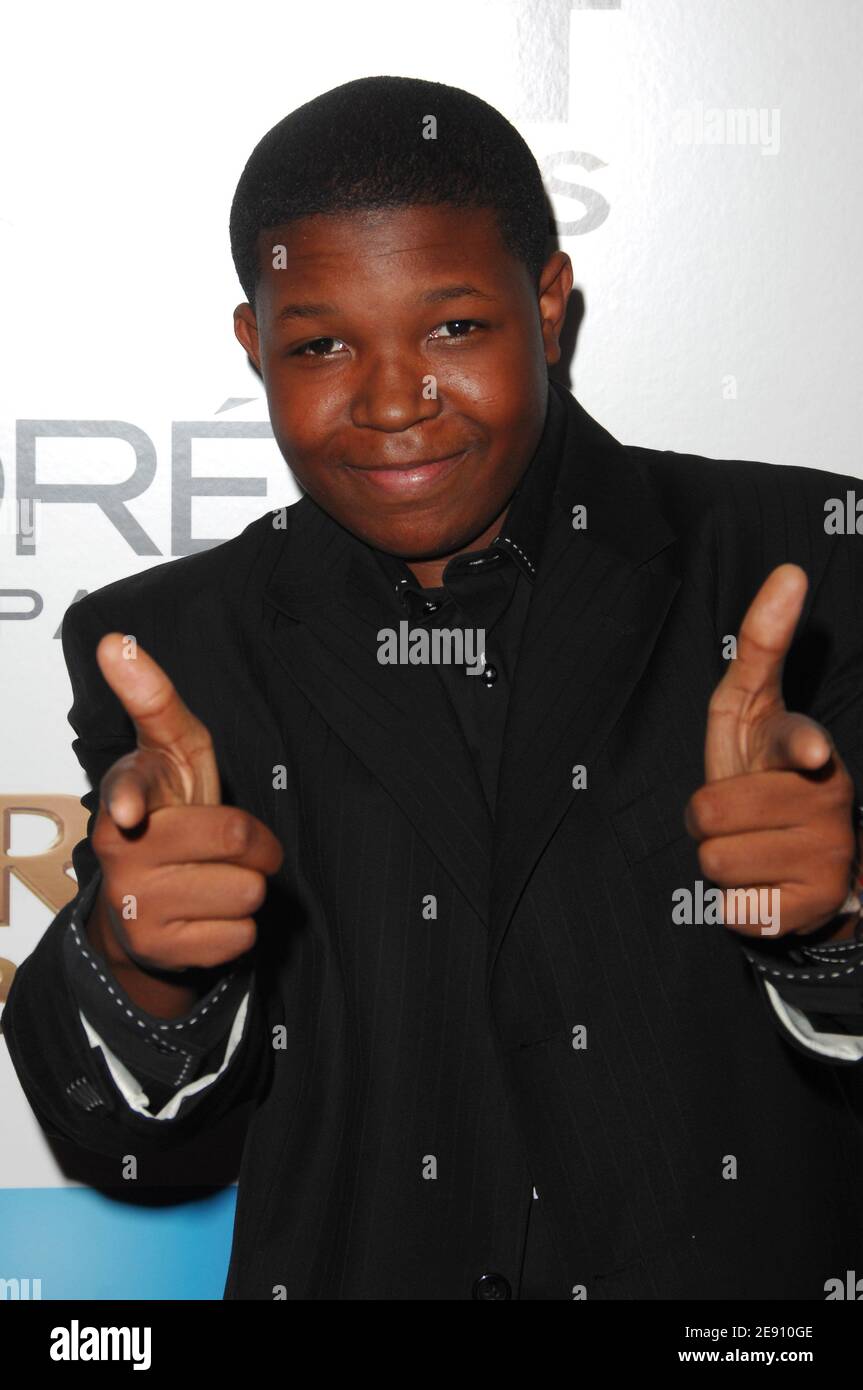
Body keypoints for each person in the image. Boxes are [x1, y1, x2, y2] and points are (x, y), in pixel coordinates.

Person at [5, 75, 863, 1301]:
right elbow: (127, 1143)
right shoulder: (164, 644)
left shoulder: (808, 558)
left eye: (452, 327)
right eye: (320, 344)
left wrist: (832, 927)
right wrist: (148, 970)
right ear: (253, 345)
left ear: (548, 304)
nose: (392, 400)